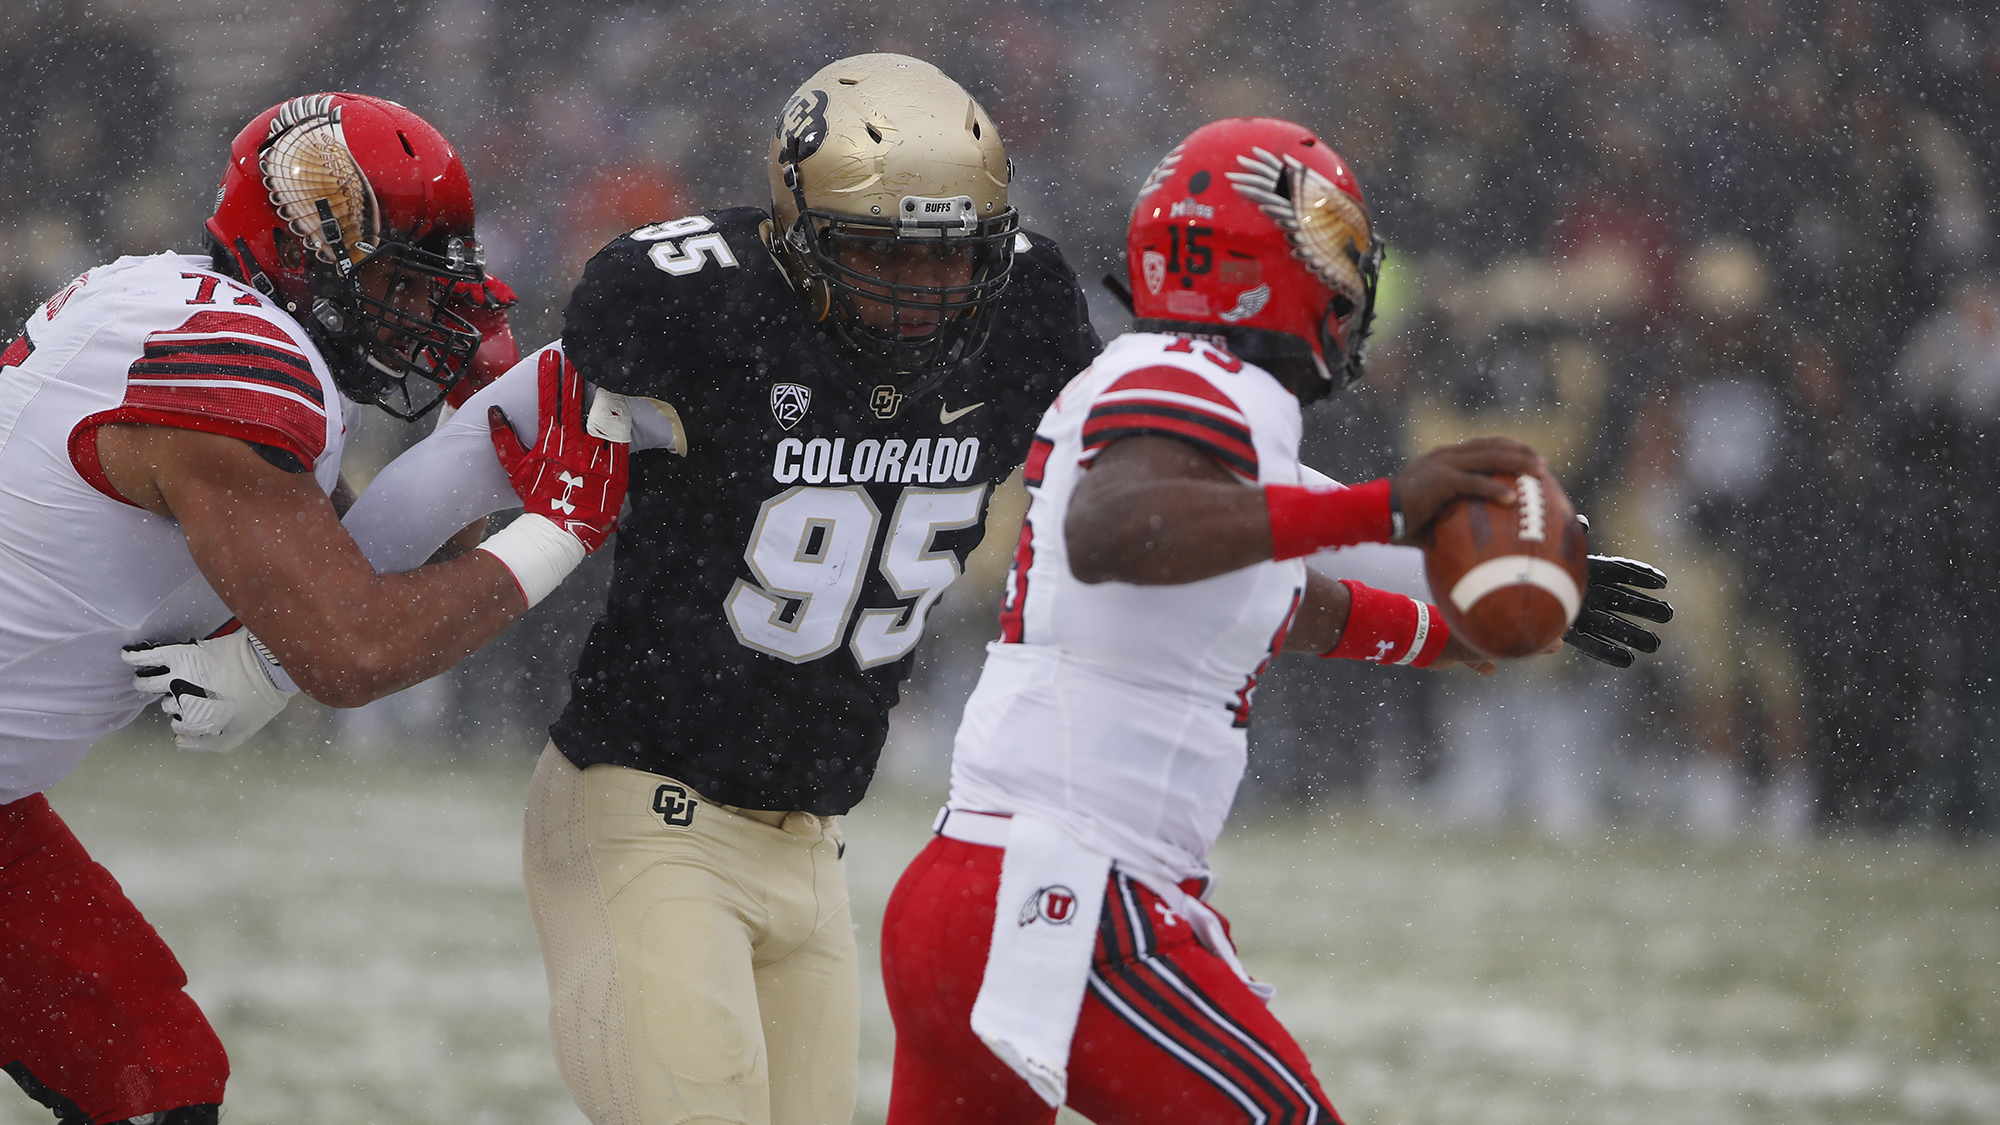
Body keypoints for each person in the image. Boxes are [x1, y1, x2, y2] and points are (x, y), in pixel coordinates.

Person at [165, 54, 1103, 1125]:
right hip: (644, 813)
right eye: (881, 248)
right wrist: (277, 643)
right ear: (797, 227)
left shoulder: (1025, 308)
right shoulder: (699, 305)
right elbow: (489, 439)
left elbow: (1138, 464)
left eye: (951, 255)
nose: (922, 289)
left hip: (811, 842)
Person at [877, 116, 1671, 1124]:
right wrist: (1387, 504)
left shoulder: (1175, 401)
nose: (1348, 271)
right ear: (1249, 252)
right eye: (1329, 234)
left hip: (968, 888)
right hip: (1076, 892)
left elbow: (1270, 596)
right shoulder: (1195, 379)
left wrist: (1467, 622)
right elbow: (1116, 532)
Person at [0, 93, 628, 1125]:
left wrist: (481, 439)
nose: (429, 308)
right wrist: (561, 527)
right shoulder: (234, 367)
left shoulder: (169, 302)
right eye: (403, 274)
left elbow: (355, 564)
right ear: (304, 250)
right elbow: (353, 645)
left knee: (154, 1076)